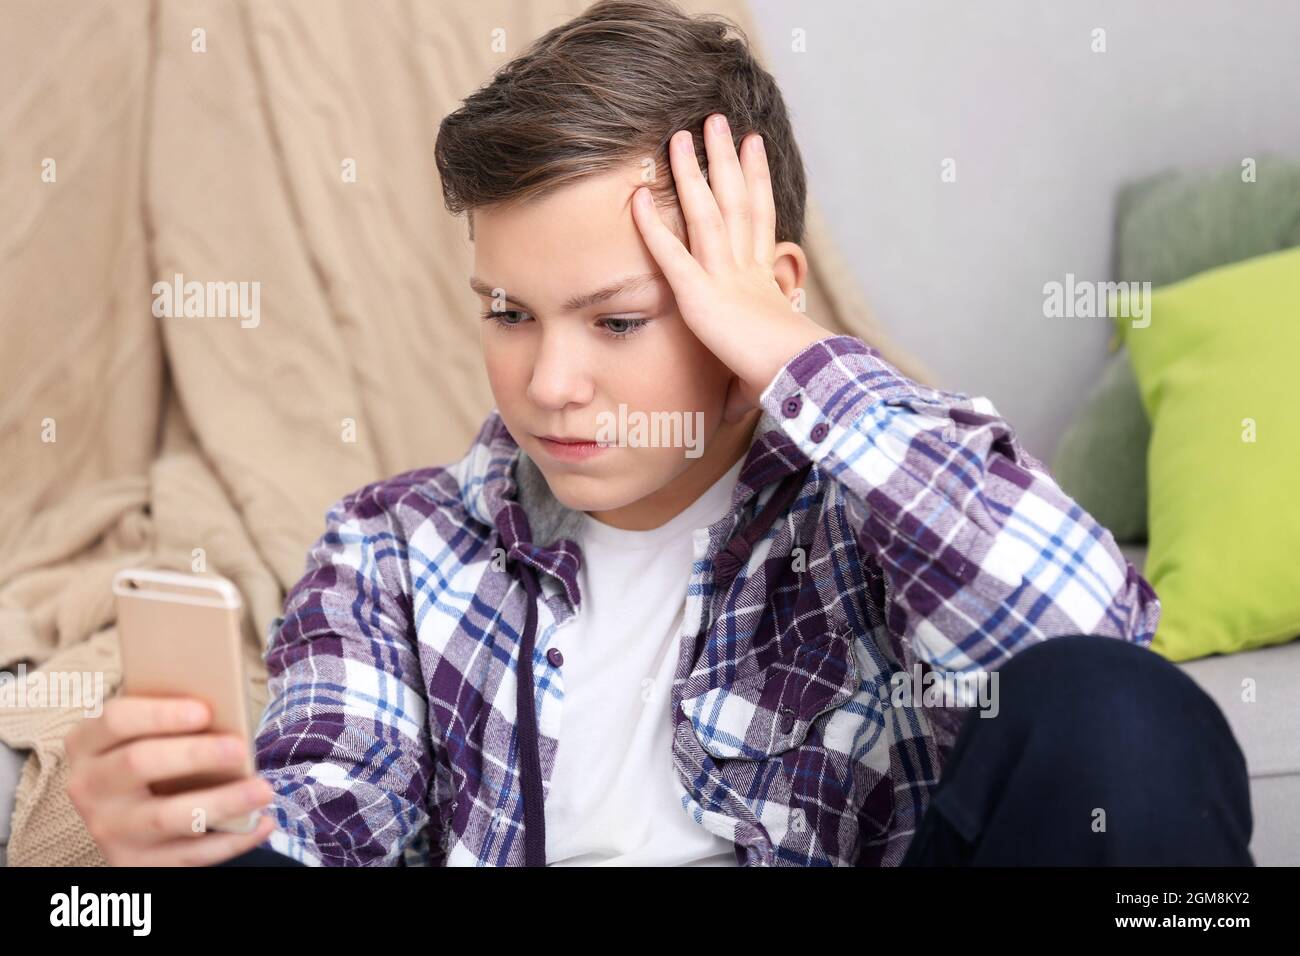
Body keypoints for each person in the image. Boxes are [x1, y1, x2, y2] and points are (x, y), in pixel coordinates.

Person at [64, 0, 1251, 868]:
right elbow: (331, 822)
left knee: (1119, 712)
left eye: (619, 320)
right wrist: (201, 838)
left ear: (757, 298)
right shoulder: (390, 551)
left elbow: (1095, 646)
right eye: (508, 313)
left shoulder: (880, 508)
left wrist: (795, 358)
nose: (550, 383)